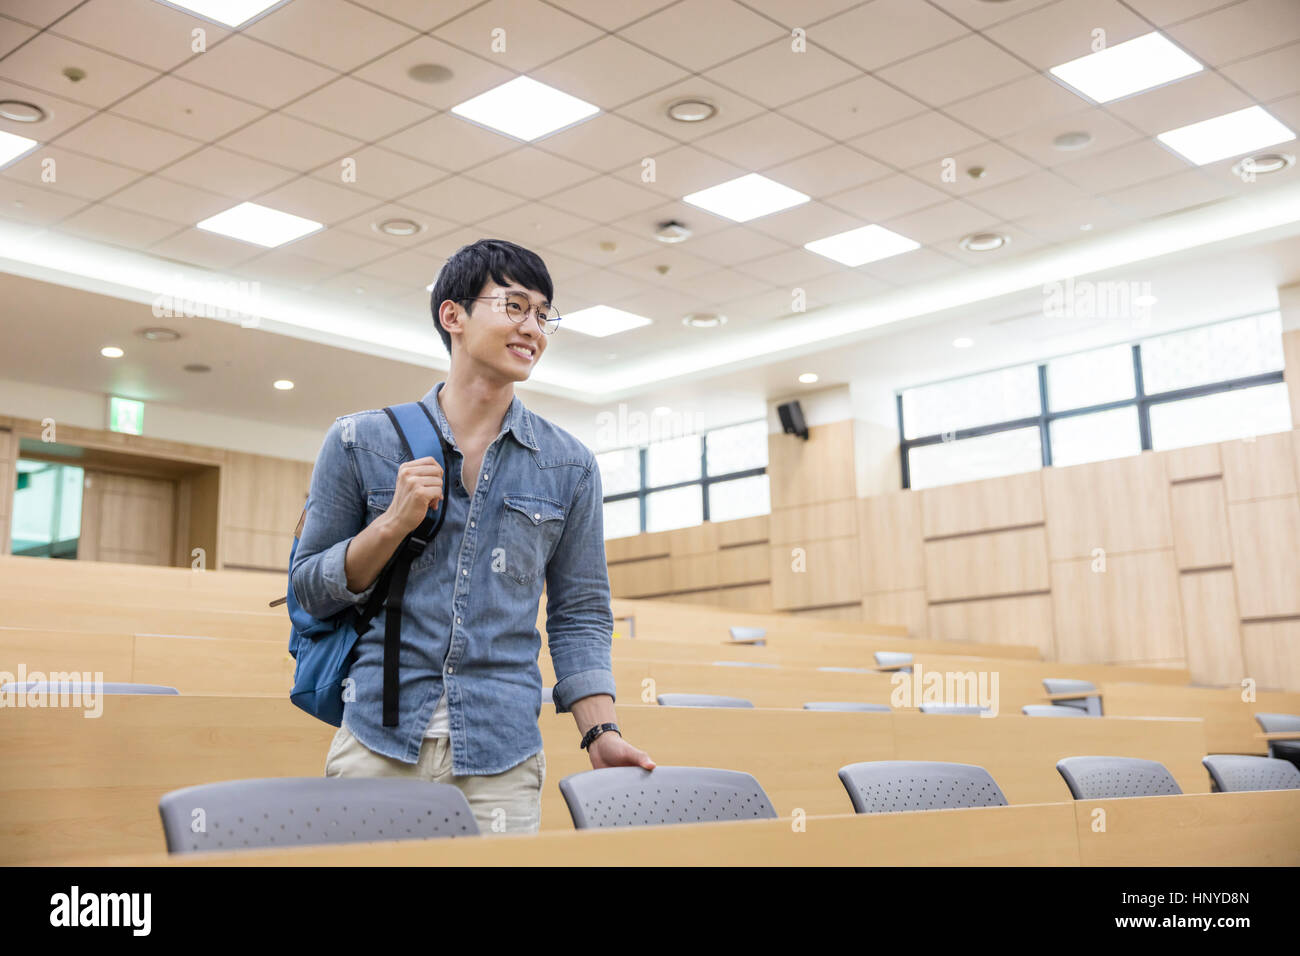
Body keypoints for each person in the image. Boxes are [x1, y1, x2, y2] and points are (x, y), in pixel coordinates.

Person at [291, 238, 654, 834]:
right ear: (452, 316)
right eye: (514, 306)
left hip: (502, 754)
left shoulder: (569, 464)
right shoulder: (360, 441)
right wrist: (390, 525)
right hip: (378, 739)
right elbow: (311, 589)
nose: (533, 327)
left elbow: (579, 614)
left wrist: (600, 730)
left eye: (544, 314)